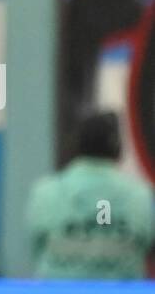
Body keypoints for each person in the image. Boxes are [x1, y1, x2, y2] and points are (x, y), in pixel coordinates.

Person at [27, 111, 155, 279]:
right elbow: (148, 248)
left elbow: (35, 249)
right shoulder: (140, 196)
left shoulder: (44, 193)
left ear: (75, 145)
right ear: (118, 149)